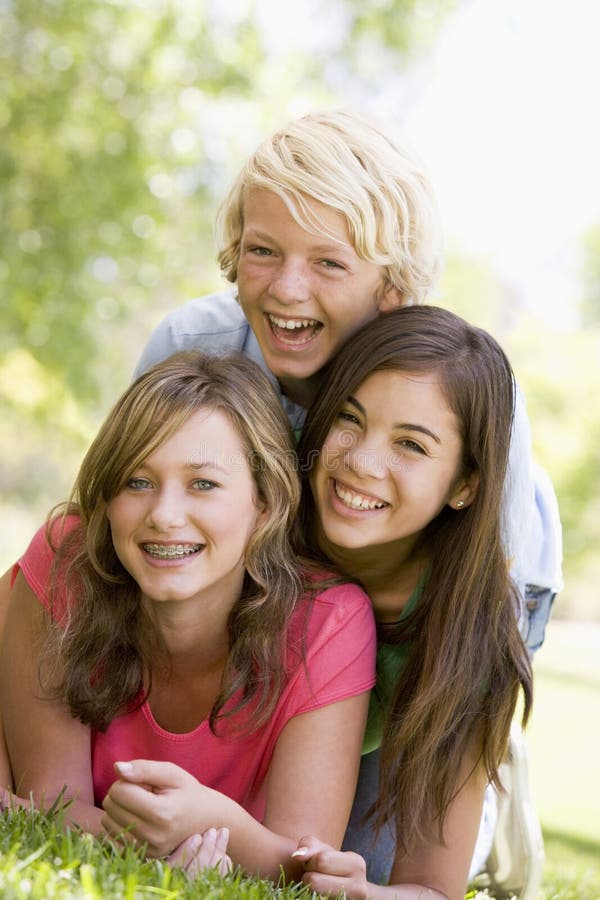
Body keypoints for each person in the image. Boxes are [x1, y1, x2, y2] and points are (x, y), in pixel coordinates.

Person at [0, 351, 377, 880]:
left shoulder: (328, 623)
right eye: (137, 481)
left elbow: (307, 867)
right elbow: (49, 803)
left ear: (265, 504)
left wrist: (213, 824)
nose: (164, 516)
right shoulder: (69, 563)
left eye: (203, 484)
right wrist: (172, 854)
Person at [287, 305, 534, 900]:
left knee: (363, 857)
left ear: (465, 484)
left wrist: (364, 894)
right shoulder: (267, 508)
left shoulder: (469, 630)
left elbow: (430, 887)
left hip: (414, 714)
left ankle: (492, 791)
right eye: (350, 418)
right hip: (299, 726)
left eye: (411, 445)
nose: (362, 462)